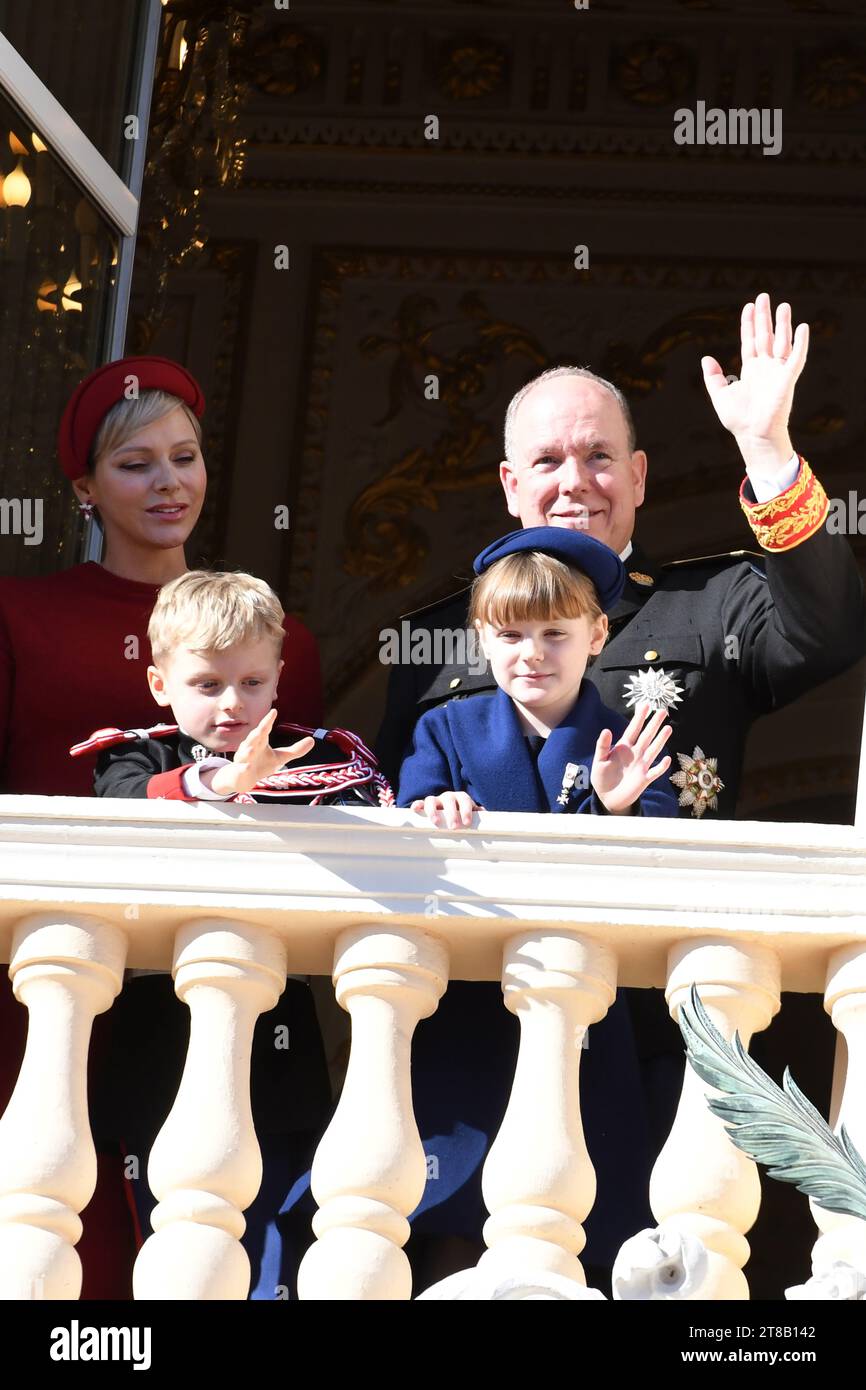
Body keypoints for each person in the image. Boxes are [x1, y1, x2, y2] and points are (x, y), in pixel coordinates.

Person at [374, 293, 866, 1291]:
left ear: (637, 477)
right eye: (547, 463)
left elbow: (827, 629)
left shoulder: (706, 603)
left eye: (598, 457)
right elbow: (386, 818)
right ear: (509, 484)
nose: (574, 482)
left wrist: (766, 451)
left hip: (655, 1026)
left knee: (648, 1274)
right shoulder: (433, 639)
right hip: (478, 1027)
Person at [0, 356, 323, 1299]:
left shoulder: (279, 640)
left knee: (209, 1228)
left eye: (184, 457)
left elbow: (307, 791)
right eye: (136, 463)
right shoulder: (21, 614)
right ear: (84, 487)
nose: (168, 481)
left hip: (207, 964)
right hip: (42, 959)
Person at [71, 569, 393, 1298]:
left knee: (280, 1225)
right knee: (175, 1237)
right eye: (208, 684)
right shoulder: (138, 754)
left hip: (277, 1042)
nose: (232, 704)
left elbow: (376, 810)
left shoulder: (313, 755)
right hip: (162, 1040)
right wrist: (216, 785)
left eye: (252, 683)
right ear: (160, 683)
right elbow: (125, 800)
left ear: (279, 677)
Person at [397, 528, 679, 1290]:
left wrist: (617, 813)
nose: (532, 653)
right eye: (511, 633)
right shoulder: (443, 729)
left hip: (586, 1014)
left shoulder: (626, 737)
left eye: (555, 633)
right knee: (454, 1214)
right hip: (466, 1015)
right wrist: (431, 806)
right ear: (481, 637)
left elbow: (665, 879)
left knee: (584, 1214)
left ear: (596, 636)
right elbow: (403, 833)